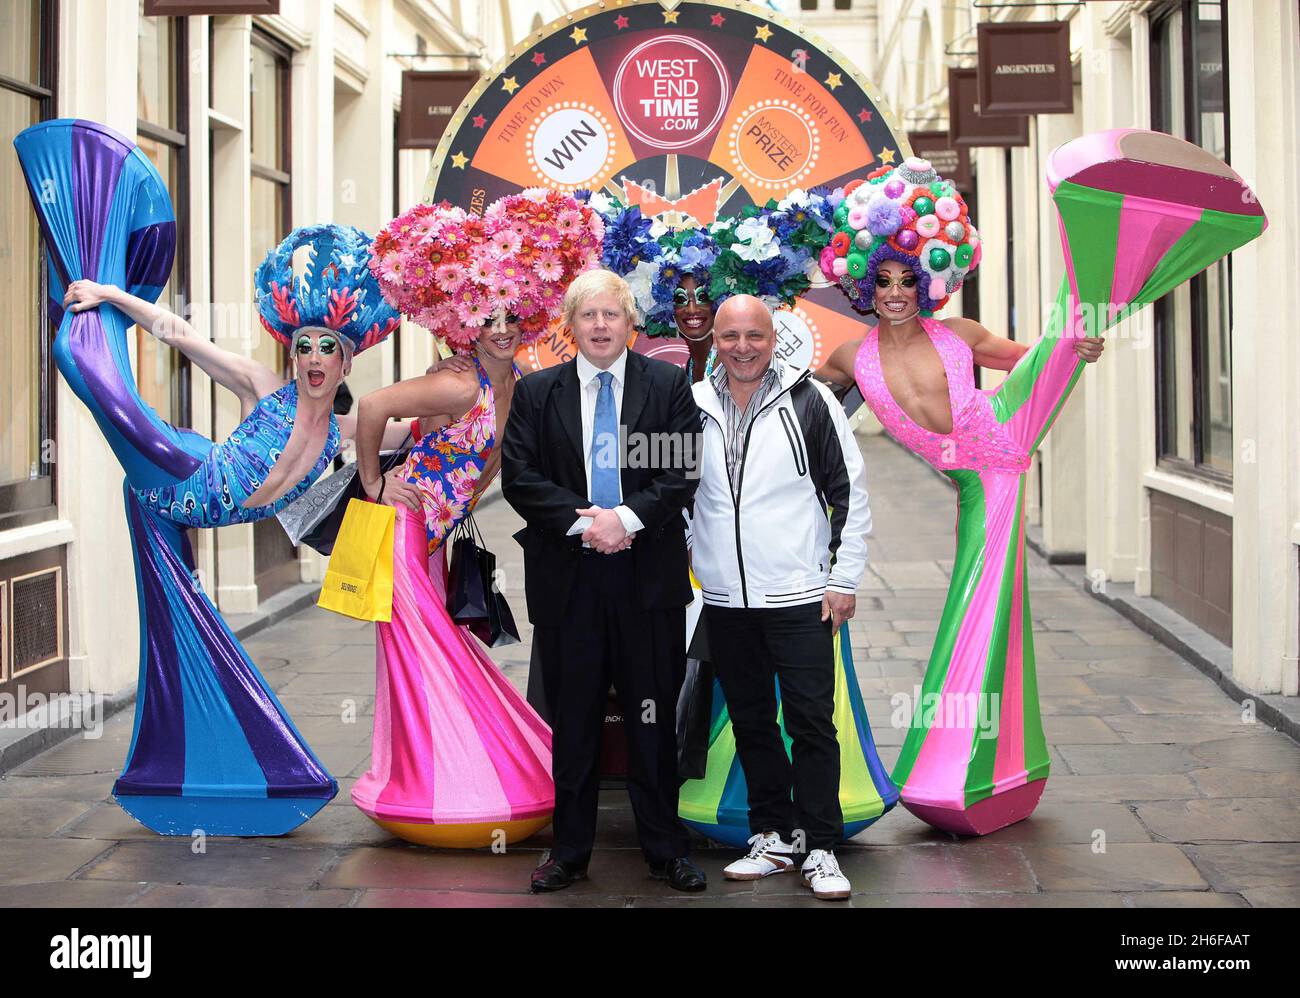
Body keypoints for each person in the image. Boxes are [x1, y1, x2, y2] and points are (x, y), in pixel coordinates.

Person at [15, 115, 400, 835]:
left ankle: (202, 762)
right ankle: (89, 234)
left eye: (328, 347)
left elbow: (436, 422)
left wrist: (484, 371)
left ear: (347, 360)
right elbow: (182, 336)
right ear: (293, 351)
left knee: (94, 378)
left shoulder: (353, 427)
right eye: (305, 344)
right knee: (82, 361)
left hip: (182, 510)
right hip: (185, 471)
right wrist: (112, 295)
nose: (313, 355)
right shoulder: (263, 386)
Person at [814, 157, 1103, 835]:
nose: (894, 292)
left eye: (906, 281)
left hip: (1006, 437)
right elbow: (794, 395)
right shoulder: (849, 356)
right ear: (864, 281)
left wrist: (1075, 346)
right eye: (882, 281)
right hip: (976, 486)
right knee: (982, 605)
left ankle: (962, 766)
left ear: (927, 279)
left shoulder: (962, 335)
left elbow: (1027, 358)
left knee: (981, 601)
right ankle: (981, 762)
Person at [346, 190, 603, 846]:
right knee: (427, 650)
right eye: (488, 318)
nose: (501, 327)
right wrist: (377, 482)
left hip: (435, 537)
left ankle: (451, 771)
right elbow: (373, 406)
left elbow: (503, 466)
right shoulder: (461, 382)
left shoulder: (517, 382)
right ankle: (444, 779)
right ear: (468, 323)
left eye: (511, 316)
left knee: (438, 648)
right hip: (405, 532)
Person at [501, 269, 705, 893]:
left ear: (631, 325)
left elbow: (681, 470)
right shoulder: (537, 392)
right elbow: (520, 475)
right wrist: (585, 524)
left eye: (611, 315)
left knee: (651, 718)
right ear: (570, 326)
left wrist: (626, 518)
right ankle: (569, 853)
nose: (599, 326)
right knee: (576, 720)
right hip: (571, 583)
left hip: (648, 582)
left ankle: (664, 850)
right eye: (587, 316)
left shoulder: (668, 385)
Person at [689, 294, 873, 900]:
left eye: (754, 336)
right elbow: (683, 497)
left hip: (799, 595)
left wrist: (843, 578)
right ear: (714, 341)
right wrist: (694, 560)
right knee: (751, 722)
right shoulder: (691, 406)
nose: (742, 348)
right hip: (725, 599)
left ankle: (821, 845)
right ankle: (773, 835)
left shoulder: (812, 401)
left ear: (775, 339)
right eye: (729, 337)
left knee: (811, 723)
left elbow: (849, 493)